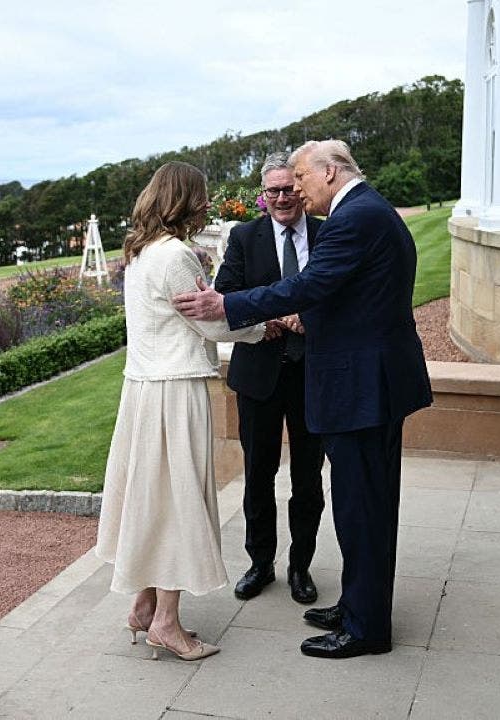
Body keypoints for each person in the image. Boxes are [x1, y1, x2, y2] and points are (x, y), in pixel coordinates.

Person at [172, 140, 432, 659]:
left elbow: (311, 284)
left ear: (329, 172)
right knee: (363, 505)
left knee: (363, 508)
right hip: (368, 383)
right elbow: (353, 298)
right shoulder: (368, 210)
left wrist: (228, 303)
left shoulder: (353, 218)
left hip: (363, 389)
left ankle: (365, 629)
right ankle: (360, 604)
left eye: (302, 178)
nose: (297, 190)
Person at [94, 161, 274, 662]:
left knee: (153, 494)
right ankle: (167, 625)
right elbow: (212, 325)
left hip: (144, 389)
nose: (206, 204)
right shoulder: (177, 257)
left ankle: (145, 604)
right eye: (202, 196)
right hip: (175, 390)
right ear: (185, 200)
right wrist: (266, 326)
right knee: (178, 499)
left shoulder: (140, 252)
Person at [214, 152, 325, 605]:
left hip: (313, 376)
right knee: (258, 476)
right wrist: (273, 315)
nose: (281, 197)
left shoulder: (325, 232)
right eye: (273, 190)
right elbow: (226, 294)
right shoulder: (245, 237)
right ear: (263, 195)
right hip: (259, 373)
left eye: (288, 189)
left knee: (308, 479)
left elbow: (339, 291)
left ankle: (301, 567)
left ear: (300, 190)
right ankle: (261, 564)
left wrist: (310, 317)